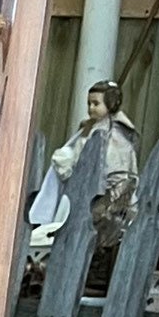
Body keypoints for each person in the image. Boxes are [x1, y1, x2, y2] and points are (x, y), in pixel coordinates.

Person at [27, 80, 141, 248]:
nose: (91, 108)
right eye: (89, 103)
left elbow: (116, 170)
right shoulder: (90, 128)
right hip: (80, 192)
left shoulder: (115, 136)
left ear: (111, 104)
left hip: (103, 200)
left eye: (96, 103)